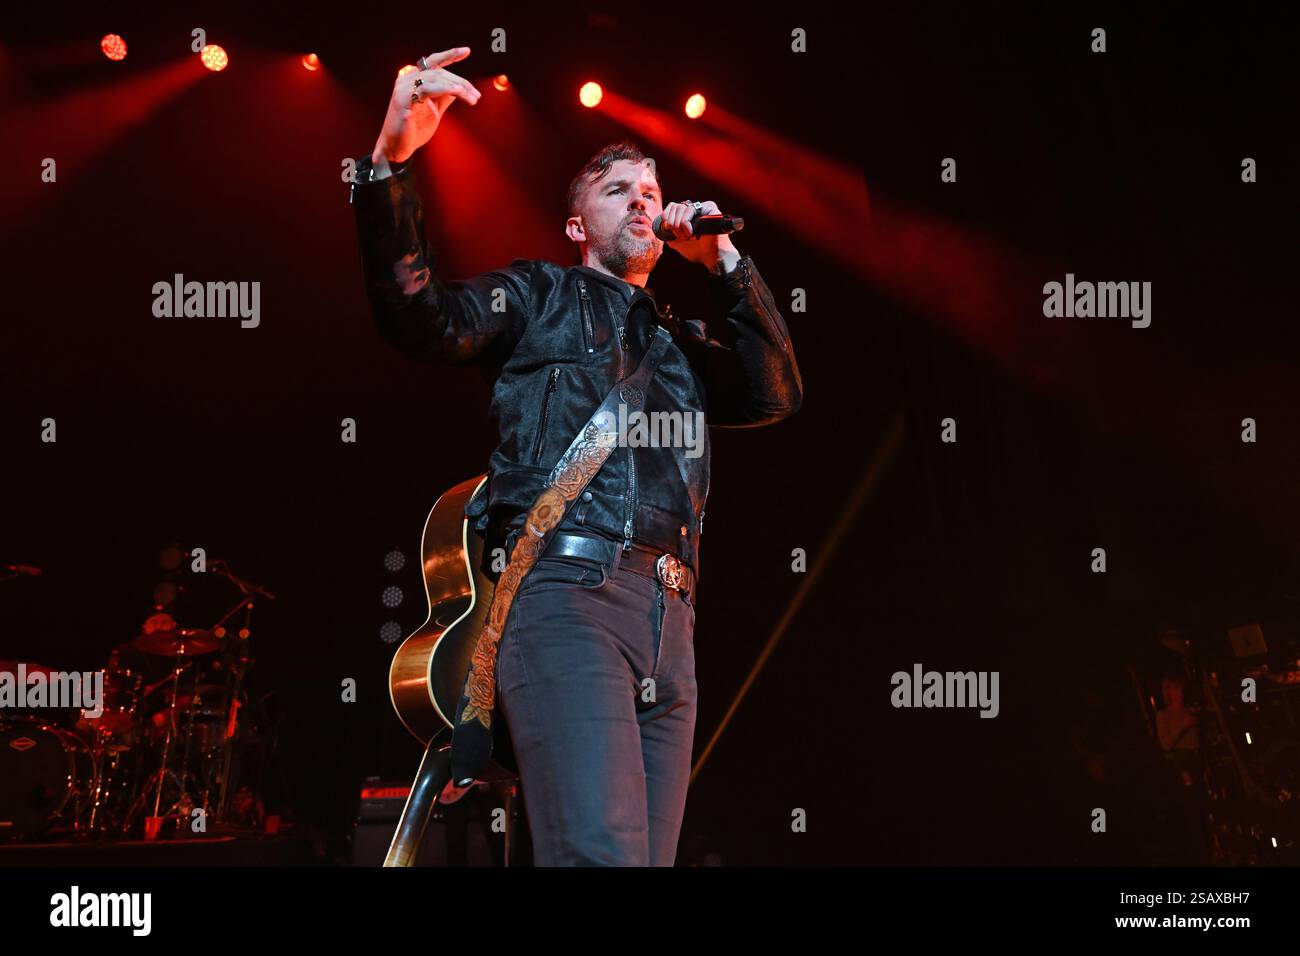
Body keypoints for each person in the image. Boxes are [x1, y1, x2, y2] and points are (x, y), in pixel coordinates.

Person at [349, 47, 802, 865]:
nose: (644, 202)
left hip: (672, 621)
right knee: (598, 855)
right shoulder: (537, 296)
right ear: (575, 224)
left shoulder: (686, 345)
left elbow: (775, 394)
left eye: (654, 192)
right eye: (619, 190)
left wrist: (728, 268)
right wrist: (388, 166)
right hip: (567, 598)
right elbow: (419, 317)